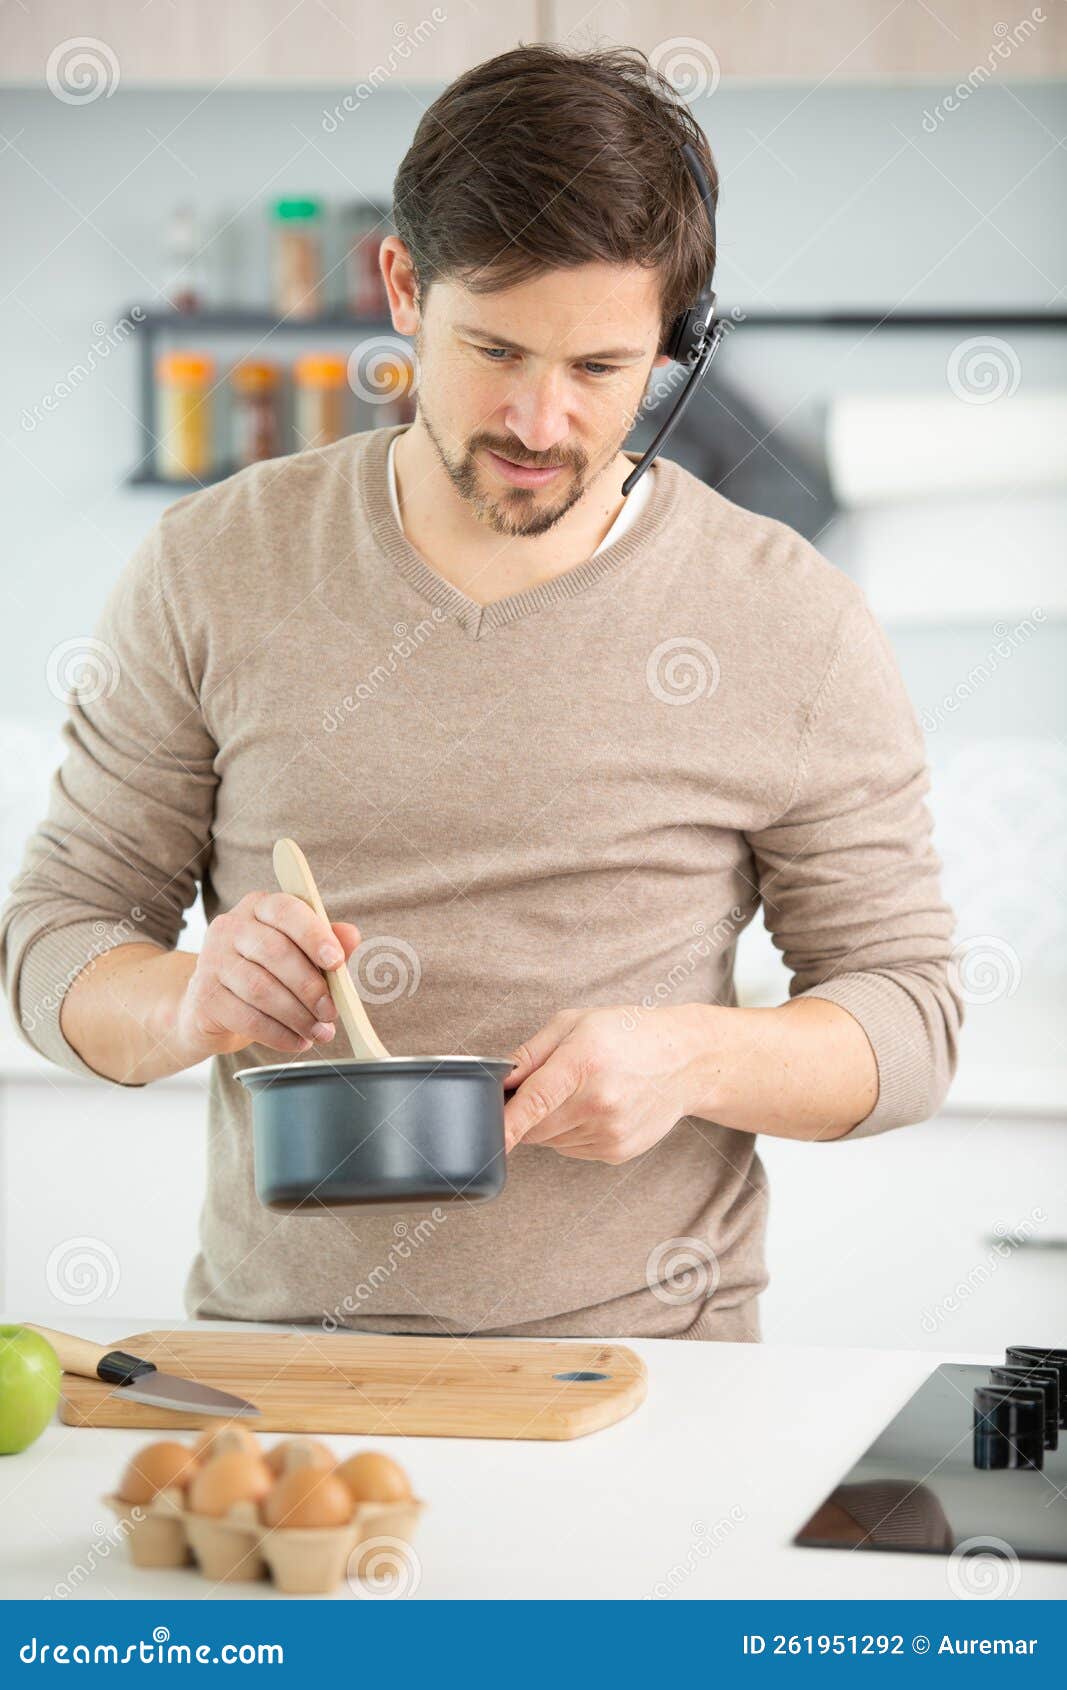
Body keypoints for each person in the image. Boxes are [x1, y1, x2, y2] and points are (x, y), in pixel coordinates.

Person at [0, 44, 963, 1342]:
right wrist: (181, 1002)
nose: (539, 419)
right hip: (279, 1373)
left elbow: (907, 1012)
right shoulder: (217, 565)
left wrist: (697, 1058)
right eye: (494, 347)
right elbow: (53, 940)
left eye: (600, 370)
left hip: (645, 1383)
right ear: (403, 286)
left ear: (673, 348)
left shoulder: (787, 617)